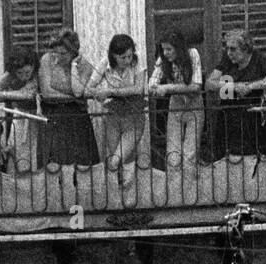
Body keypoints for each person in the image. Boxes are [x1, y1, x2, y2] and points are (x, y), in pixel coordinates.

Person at [84, 34, 146, 201]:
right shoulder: (104, 63)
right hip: (112, 117)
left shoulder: (137, 63)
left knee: (117, 160)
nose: (127, 60)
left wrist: (111, 92)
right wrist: (99, 92)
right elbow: (88, 88)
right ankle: (119, 200)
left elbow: (138, 89)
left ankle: (130, 201)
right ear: (113, 55)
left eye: (129, 55)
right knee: (117, 160)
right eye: (122, 57)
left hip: (134, 117)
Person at [149, 28, 203, 188]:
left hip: (194, 106)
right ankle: (174, 192)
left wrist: (168, 88)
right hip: (176, 106)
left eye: (169, 49)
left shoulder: (192, 54)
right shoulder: (162, 60)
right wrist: (154, 87)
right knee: (173, 154)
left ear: (179, 48)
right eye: (163, 49)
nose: (166, 53)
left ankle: (190, 192)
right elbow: (153, 81)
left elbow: (196, 86)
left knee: (190, 154)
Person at [38, 28, 99, 169]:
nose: (58, 57)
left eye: (63, 54)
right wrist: (73, 98)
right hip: (53, 118)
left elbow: (79, 92)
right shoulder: (47, 60)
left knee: (82, 167)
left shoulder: (84, 66)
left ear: (73, 52)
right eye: (55, 52)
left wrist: (73, 67)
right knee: (54, 167)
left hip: (77, 120)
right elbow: (46, 92)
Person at [206, 29, 266, 157]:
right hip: (229, 118)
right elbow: (209, 83)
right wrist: (234, 86)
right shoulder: (228, 59)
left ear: (245, 48)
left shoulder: (258, 59)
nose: (229, 52)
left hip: (253, 121)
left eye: (233, 49)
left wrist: (251, 86)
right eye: (227, 48)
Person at [0, 47, 40, 171]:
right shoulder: (10, 75)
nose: (24, 76)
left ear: (33, 67)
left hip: (36, 118)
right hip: (19, 117)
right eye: (20, 73)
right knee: (17, 152)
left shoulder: (36, 76)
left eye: (27, 72)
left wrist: (3, 94)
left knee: (34, 153)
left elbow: (28, 93)